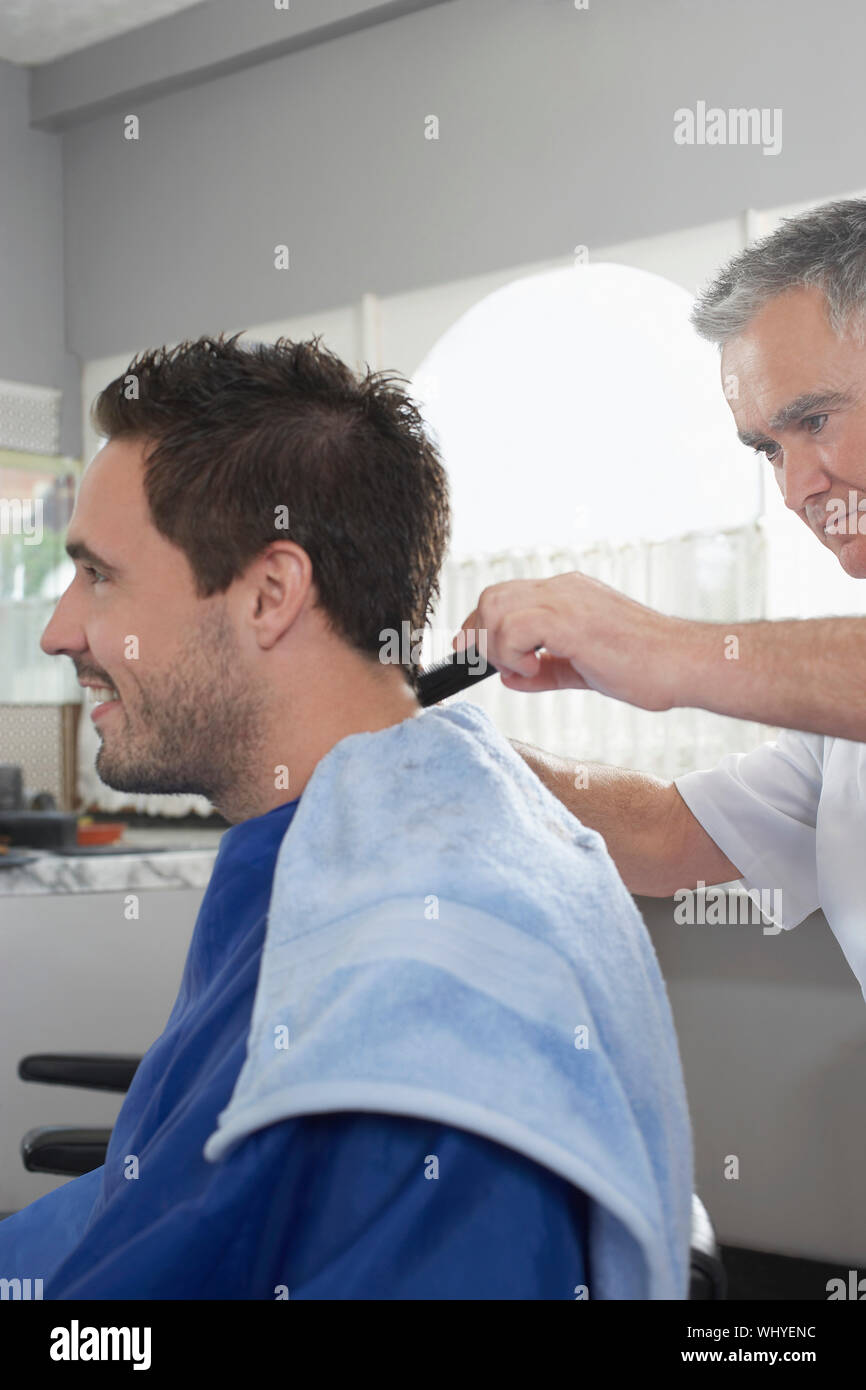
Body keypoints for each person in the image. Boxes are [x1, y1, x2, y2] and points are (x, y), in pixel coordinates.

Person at [0, 333, 691, 1299]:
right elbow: (137, 1209)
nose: (57, 629)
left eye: (100, 576)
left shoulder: (421, 1016)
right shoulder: (328, 840)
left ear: (272, 593)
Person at [453, 196, 866, 1003]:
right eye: (768, 451)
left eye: (815, 419)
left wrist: (662, 646)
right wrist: (433, 750)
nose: (795, 490)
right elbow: (672, 835)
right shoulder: (839, 727)